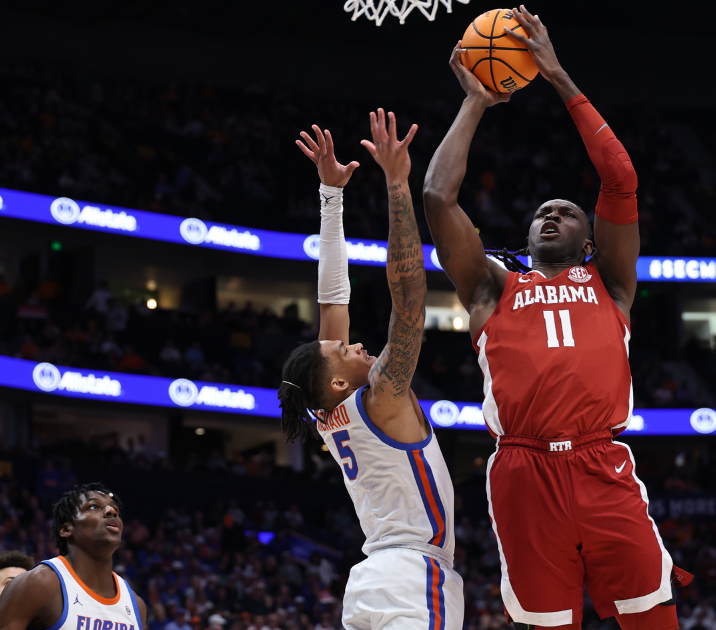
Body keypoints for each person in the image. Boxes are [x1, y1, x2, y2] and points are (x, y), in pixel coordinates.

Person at [421, 7, 689, 630]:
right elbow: (437, 197)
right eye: (542, 211)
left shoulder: (611, 281)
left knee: (653, 620)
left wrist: (558, 75)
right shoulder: (492, 285)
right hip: (522, 470)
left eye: (565, 211)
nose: (550, 215)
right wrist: (477, 104)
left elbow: (620, 179)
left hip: (602, 464)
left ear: (588, 237)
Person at [277, 113, 463, 630]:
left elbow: (332, 298)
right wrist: (398, 184)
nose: (355, 343)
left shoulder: (329, 410)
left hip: (371, 583)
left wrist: (331, 196)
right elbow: (409, 301)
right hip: (412, 576)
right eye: (346, 351)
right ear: (339, 381)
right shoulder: (380, 395)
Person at [0, 483, 147, 630]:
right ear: (66, 529)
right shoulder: (41, 584)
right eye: (94, 507)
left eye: (115, 509)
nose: (111, 511)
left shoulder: (135, 605)